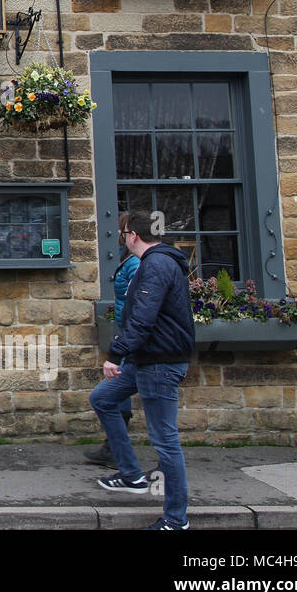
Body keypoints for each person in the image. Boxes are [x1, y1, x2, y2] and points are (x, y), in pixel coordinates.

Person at [88, 209, 196, 530]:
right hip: (147, 358)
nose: (122, 240)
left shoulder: (157, 265)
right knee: (103, 399)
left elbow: (143, 319)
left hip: (160, 362)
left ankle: (176, 519)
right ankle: (131, 474)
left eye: (123, 236)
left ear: (132, 236)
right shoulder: (155, 263)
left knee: (165, 440)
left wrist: (116, 354)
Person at [84, 218, 139, 466]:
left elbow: (139, 303)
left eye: (123, 230)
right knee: (115, 392)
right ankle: (116, 449)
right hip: (127, 331)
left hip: (132, 335)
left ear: (134, 234)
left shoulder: (137, 262)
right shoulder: (126, 256)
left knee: (111, 392)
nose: (119, 233)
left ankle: (119, 454)